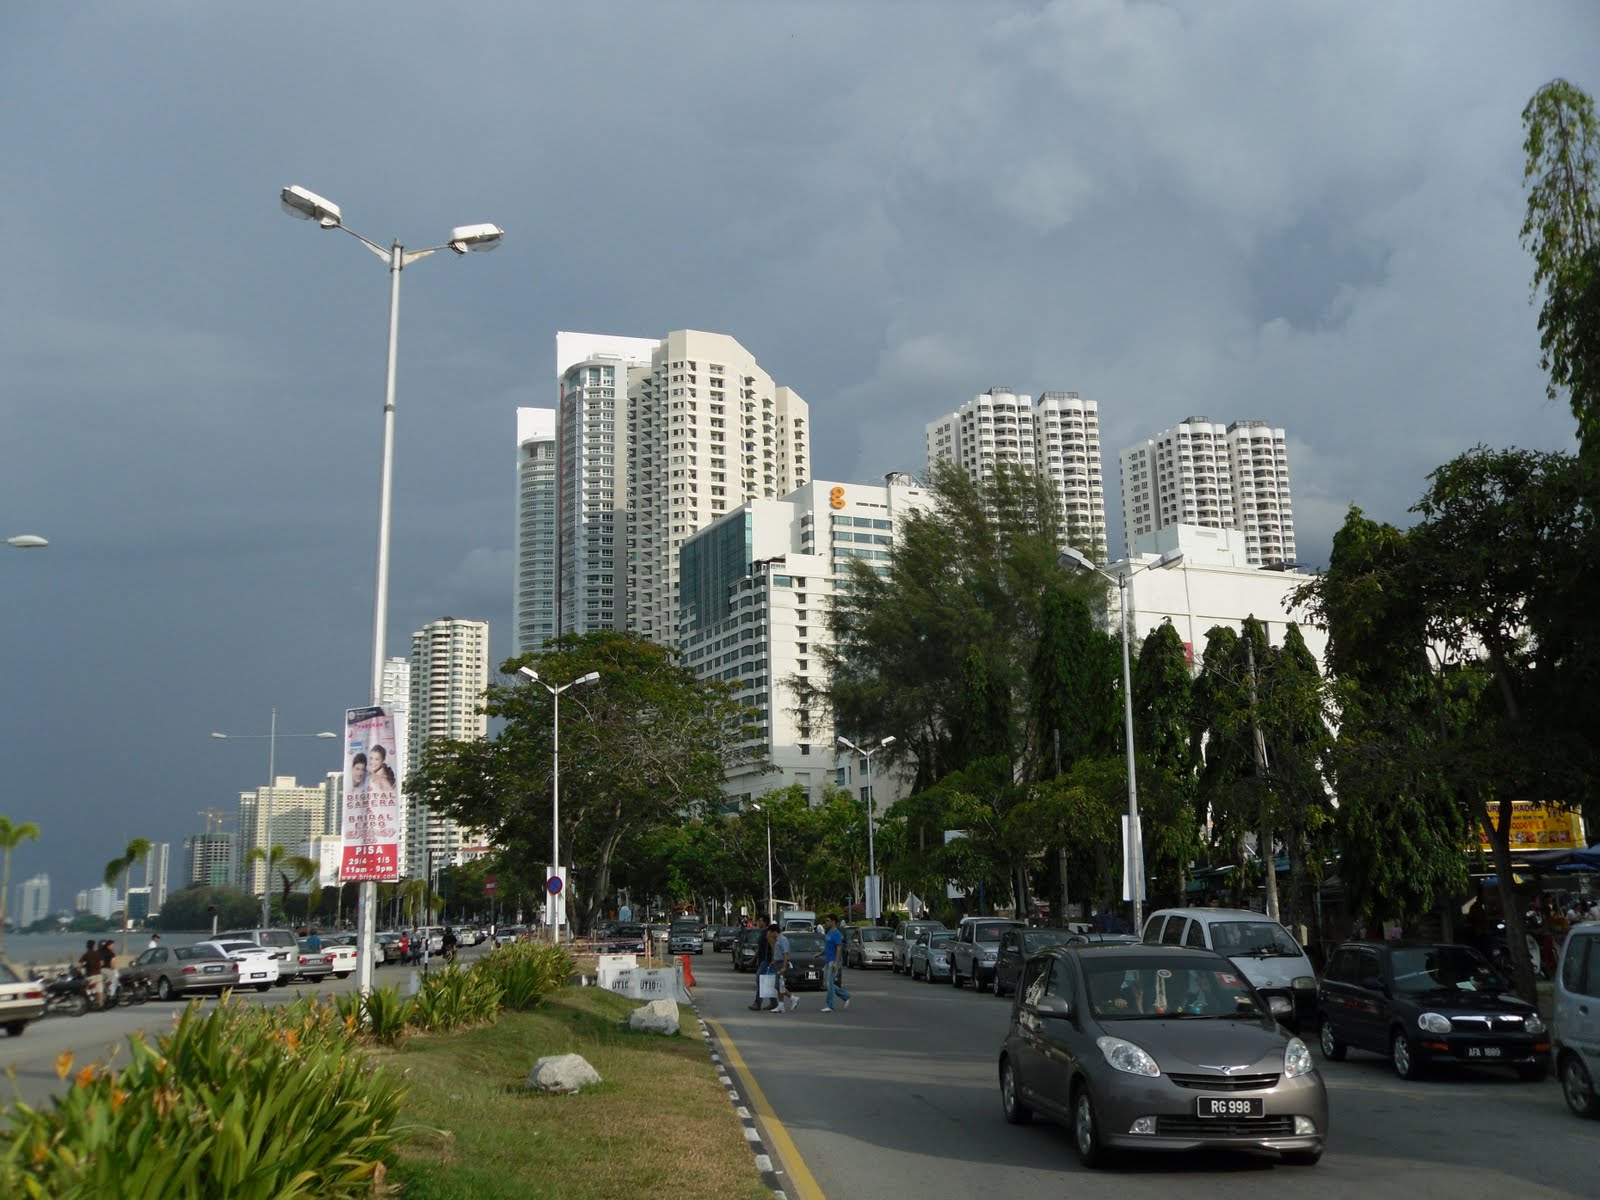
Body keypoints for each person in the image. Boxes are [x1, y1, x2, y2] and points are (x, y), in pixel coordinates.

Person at [819, 915, 852, 1014]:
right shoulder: (829, 932)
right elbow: (828, 947)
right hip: (828, 960)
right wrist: (820, 954)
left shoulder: (837, 934)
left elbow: (839, 948)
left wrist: (836, 963)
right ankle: (845, 995)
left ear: (833, 922)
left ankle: (830, 1005)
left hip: (834, 961)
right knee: (827, 984)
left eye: (828, 920)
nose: (826, 922)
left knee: (829, 984)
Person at [768, 925, 797, 1012]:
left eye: (770, 932)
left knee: (778, 985)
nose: (770, 934)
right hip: (778, 963)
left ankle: (793, 998)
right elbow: (779, 953)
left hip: (782, 964)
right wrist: (774, 961)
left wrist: (784, 966)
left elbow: (785, 954)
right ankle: (781, 1005)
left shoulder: (783, 940)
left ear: (774, 932)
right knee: (781, 984)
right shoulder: (778, 940)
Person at [749, 918, 773, 1010]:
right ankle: (773, 1002)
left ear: (765, 922)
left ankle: (757, 1002)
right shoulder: (762, 933)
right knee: (767, 982)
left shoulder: (768, 933)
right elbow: (760, 949)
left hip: (767, 960)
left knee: (760, 980)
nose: (759, 922)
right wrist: (753, 959)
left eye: (760, 920)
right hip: (761, 959)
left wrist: (773, 959)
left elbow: (772, 945)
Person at [79, 939, 105, 1009]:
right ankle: (101, 1005)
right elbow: (102, 963)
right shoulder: (97, 954)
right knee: (100, 991)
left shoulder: (86, 955)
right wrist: (98, 967)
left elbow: (80, 965)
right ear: (94, 946)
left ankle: (88, 1003)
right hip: (98, 974)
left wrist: (82, 968)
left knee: (85, 989)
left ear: (87, 946)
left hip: (90, 975)